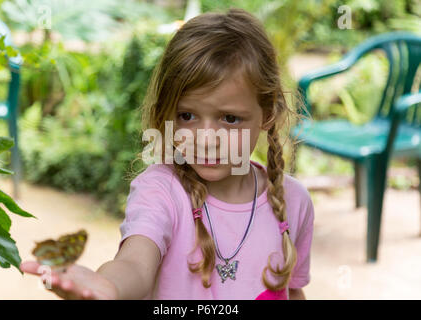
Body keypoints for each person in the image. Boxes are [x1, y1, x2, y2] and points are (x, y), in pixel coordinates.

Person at [21, 8, 314, 300]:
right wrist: (109, 287)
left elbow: (292, 289)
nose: (206, 139)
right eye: (187, 115)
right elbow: (135, 263)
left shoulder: (294, 201)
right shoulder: (160, 191)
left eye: (229, 118)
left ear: (268, 113)